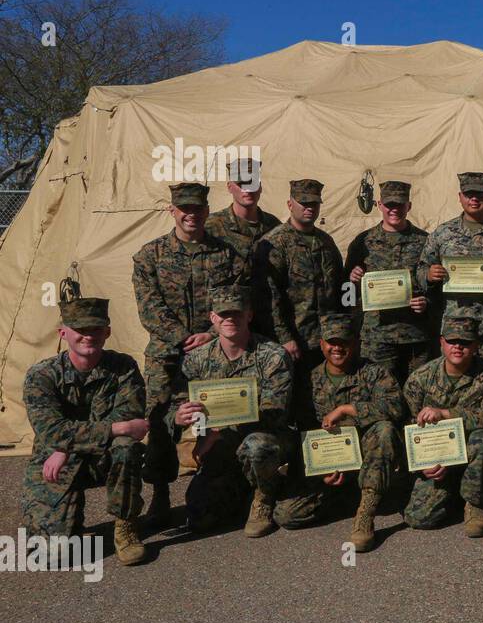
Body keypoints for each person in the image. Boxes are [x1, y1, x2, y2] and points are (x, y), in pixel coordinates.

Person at [131, 181, 242, 526]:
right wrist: (182, 338)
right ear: (172, 211)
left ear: (207, 211)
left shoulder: (226, 255)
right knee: (162, 423)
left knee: (213, 419)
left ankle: (207, 490)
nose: (191, 215)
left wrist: (210, 334)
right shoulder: (150, 255)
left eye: (197, 209)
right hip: (167, 355)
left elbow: (234, 300)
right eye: (184, 209)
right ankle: (161, 496)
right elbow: (149, 308)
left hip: (214, 353)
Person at [21, 297, 150, 565]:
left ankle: (125, 526)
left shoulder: (123, 367)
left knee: (126, 447)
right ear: (63, 333)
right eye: (80, 330)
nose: (88, 336)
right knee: (49, 557)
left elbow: (130, 414)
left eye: (95, 329)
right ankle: (69, 518)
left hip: (101, 457)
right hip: (57, 462)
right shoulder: (42, 376)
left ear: (107, 332)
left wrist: (68, 444)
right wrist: (62, 447)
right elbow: (53, 431)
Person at [171, 286, 308, 535]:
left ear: (249, 315)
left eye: (237, 313)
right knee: (199, 515)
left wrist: (226, 422)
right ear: (213, 319)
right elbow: (177, 404)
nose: (230, 319)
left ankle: (262, 497)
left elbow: (274, 412)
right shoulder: (196, 359)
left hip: (266, 437)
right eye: (224, 315)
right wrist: (179, 416)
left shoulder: (272, 355)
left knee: (256, 446)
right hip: (218, 442)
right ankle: (241, 488)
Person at [302, 313, 405, 552]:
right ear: (322, 344)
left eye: (344, 342)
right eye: (332, 342)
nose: (338, 347)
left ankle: (366, 511)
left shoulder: (374, 373)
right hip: (329, 460)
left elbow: (396, 407)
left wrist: (349, 409)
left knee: (385, 430)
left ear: (356, 343)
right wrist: (320, 470)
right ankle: (341, 496)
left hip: (366, 456)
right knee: (289, 516)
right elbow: (302, 428)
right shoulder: (309, 380)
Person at [403, 317, 483, 537]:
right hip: (438, 456)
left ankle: (474, 502)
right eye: (452, 341)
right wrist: (423, 464)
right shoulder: (419, 379)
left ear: (477, 345)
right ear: (441, 342)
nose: (458, 346)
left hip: (472, 450)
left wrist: (446, 414)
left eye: (466, 342)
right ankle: (453, 492)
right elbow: (409, 429)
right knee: (419, 518)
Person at [419, 171, 483, 369]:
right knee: (460, 381)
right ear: (460, 197)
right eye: (469, 194)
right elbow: (422, 268)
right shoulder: (443, 233)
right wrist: (430, 275)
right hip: (456, 326)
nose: (474, 199)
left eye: (480, 194)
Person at [254, 178, 345, 387]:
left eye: (314, 204)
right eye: (304, 203)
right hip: (293, 342)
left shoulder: (326, 242)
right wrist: (284, 338)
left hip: (326, 341)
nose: (309, 209)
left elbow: (339, 290)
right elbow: (268, 298)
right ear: (290, 204)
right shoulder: (275, 244)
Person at [344, 180, 432, 384]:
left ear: (408, 206)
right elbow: (345, 289)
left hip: (415, 334)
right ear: (379, 205)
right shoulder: (363, 241)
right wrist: (353, 278)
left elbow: (436, 284)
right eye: (389, 205)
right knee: (381, 392)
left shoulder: (425, 241)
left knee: (417, 393)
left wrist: (427, 302)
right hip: (377, 335)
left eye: (400, 205)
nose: (394, 210)